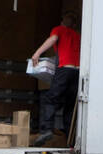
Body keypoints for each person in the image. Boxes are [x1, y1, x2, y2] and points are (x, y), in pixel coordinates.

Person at [31, 11, 80, 146]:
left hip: (64, 69)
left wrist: (37, 53)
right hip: (77, 72)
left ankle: (46, 130)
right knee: (69, 106)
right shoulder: (77, 35)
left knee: (50, 99)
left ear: (63, 20)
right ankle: (70, 139)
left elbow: (52, 39)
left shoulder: (58, 29)